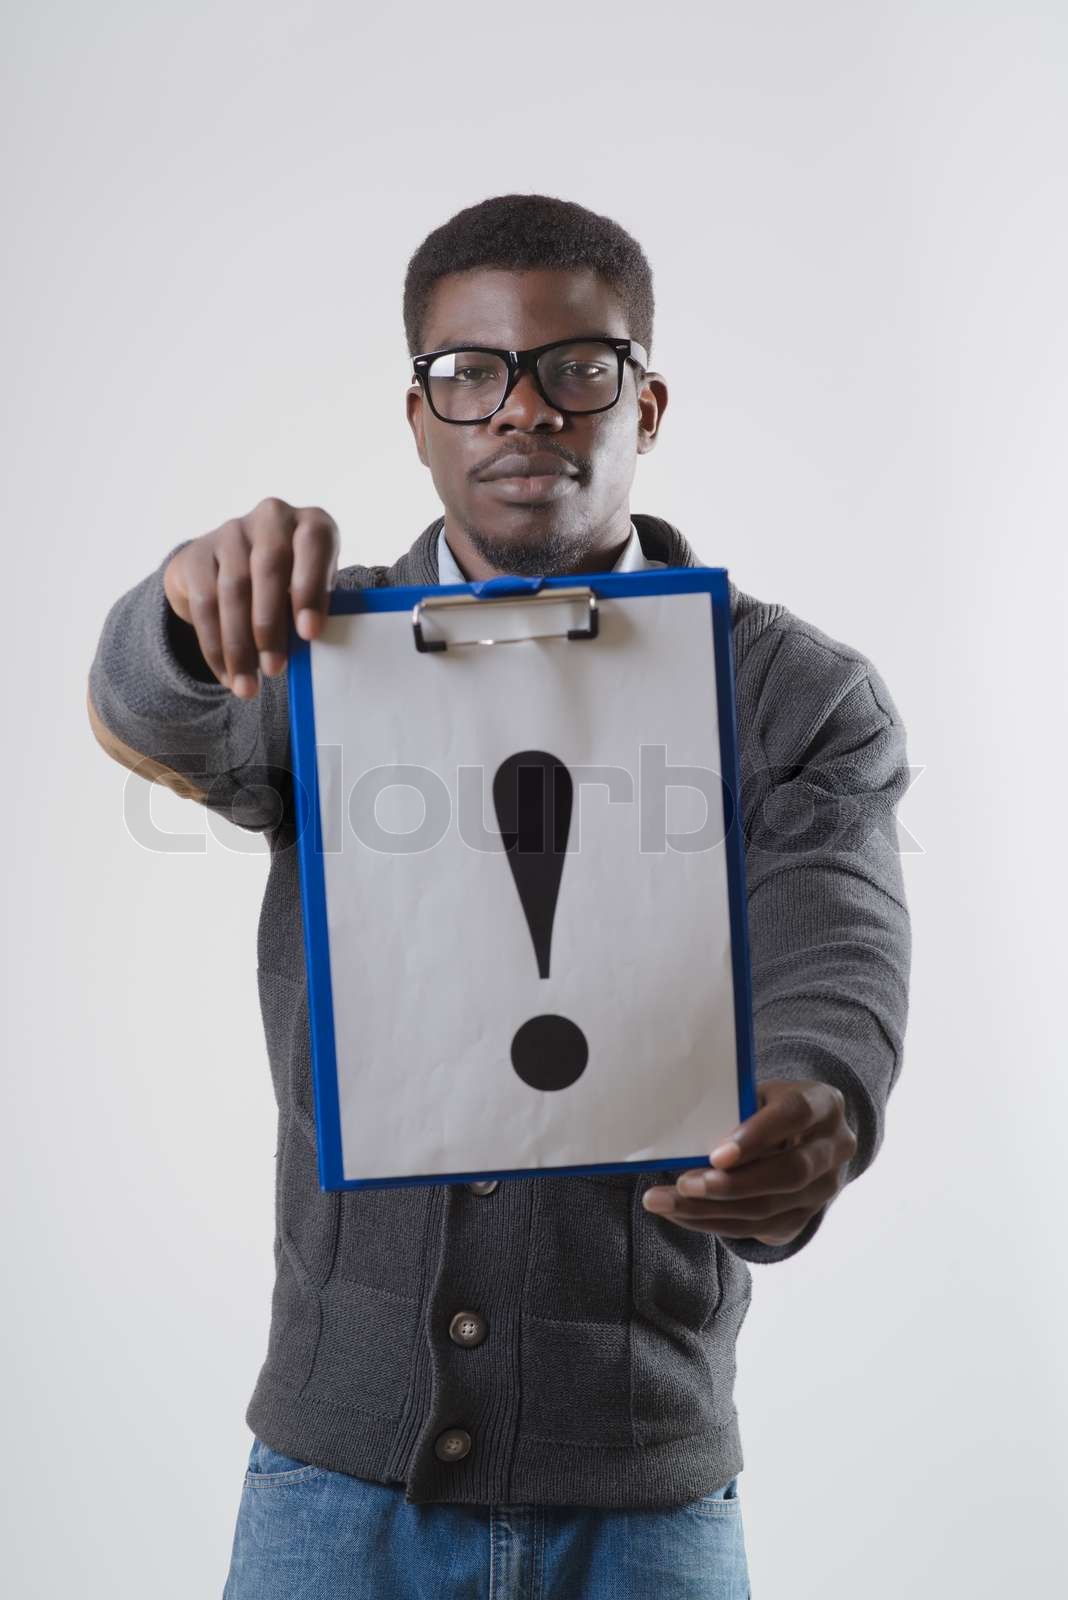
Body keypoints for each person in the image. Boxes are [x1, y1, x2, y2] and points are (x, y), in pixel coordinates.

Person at [87, 193, 911, 1599]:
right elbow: (148, 713)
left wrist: (818, 1105)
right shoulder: (317, 651)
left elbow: (835, 946)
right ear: (421, 417)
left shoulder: (792, 693)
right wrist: (178, 606)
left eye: (574, 369)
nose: (522, 413)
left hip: (645, 1485)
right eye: (469, 376)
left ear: (644, 403)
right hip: (333, 1486)